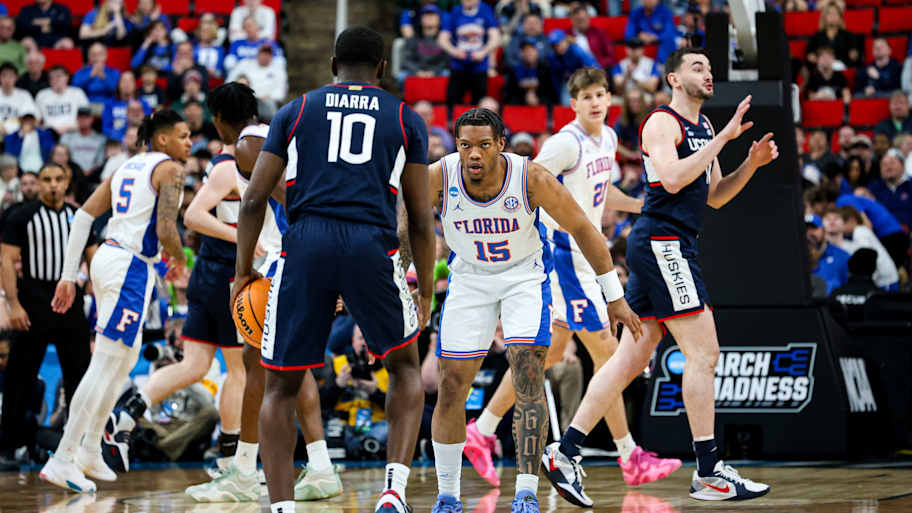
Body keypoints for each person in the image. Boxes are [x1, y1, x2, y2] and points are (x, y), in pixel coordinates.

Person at [541, 47, 777, 502]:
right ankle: (708, 470)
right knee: (704, 352)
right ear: (672, 78)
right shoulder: (661, 122)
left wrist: (749, 164)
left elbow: (715, 196)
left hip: (670, 243)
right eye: (696, 66)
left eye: (710, 67)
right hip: (661, 243)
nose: (707, 73)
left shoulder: (706, 128)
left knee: (628, 361)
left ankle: (565, 451)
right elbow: (669, 179)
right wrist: (723, 139)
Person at [231, 27, 436, 513]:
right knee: (404, 365)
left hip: (306, 244)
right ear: (383, 69)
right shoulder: (406, 118)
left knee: (280, 380)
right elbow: (422, 219)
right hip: (371, 243)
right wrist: (424, 288)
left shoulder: (295, 110)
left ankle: (281, 506)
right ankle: (393, 491)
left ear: (331, 65)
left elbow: (254, 199)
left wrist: (242, 272)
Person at [462, 68, 679, 497]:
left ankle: (482, 429)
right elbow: (524, 183)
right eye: (587, 96)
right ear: (573, 103)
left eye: (602, 94)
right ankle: (629, 455)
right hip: (562, 255)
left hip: (584, 257)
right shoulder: (565, 143)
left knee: (553, 354)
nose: (596, 102)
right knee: (610, 355)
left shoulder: (610, 139)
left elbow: (601, 192)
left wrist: (642, 206)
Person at [424, 106, 641, 513]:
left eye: (484, 145)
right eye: (466, 145)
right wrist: (409, 280)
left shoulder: (531, 177)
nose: (474, 154)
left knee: (528, 374)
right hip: (469, 278)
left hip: (525, 276)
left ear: (501, 146)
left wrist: (614, 296)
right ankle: (448, 495)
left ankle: (526, 492)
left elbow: (583, 229)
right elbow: (407, 219)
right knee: (452, 385)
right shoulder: (439, 175)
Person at [182, 82, 343, 503]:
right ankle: (315, 466)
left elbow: (289, 202)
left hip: (286, 260)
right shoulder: (273, 135)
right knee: (287, 364)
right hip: (299, 258)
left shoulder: (248, 145)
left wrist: (244, 270)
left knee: (263, 365)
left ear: (218, 119)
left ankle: (246, 472)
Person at [36, 110, 190, 493]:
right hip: (130, 267)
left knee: (124, 357)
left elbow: (83, 217)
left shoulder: (126, 166)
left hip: (110, 259)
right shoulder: (170, 169)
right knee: (104, 364)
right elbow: (167, 228)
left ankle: (90, 448)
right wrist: (180, 259)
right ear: (163, 140)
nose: (189, 142)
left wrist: (70, 275)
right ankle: (63, 456)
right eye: (183, 135)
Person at [116, 118, 247, 471]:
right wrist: (245, 240)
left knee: (194, 365)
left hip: (206, 272)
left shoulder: (218, 166)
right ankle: (231, 463)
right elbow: (192, 217)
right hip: (226, 276)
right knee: (239, 371)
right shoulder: (232, 168)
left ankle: (130, 412)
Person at [0, 163, 92, 468]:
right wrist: (13, 305)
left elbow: (94, 258)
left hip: (71, 305)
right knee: (18, 379)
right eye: (47, 180)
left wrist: (98, 300)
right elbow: (6, 259)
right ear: (38, 183)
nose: (53, 185)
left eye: (58, 179)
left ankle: (79, 446)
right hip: (33, 303)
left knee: (80, 377)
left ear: (67, 183)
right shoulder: (20, 216)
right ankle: (9, 446)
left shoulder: (80, 217)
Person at [437, 0, 500, 107]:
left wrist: (483, 52)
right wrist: (454, 51)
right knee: (453, 102)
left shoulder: (486, 10)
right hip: (458, 66)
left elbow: (495, 37)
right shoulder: (455, 12)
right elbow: (442, 39)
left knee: (480, 104)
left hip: (479, 67)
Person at [226, 44, 287, 121]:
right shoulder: (244, 64)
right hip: (245, 98)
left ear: (272, 56)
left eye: (268, 54)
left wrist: (269, 96)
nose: (265, 56)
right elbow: (230, 81)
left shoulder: (278, 70)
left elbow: (281, 92)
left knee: (269, 105)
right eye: (263, 53)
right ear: (258, 54)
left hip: (266, 101)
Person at [867, 148, 912, 235]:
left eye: (892, 163)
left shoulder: (910, 185)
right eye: (884, 164)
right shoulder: (873, 188)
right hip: (882, 234)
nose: (888, 167)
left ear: (903, 166)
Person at [36, 65, 89, 136]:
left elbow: (86, 117)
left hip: (73, 131)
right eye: (52, 77)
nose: (55, 79)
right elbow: (36, 119)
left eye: (58, 76)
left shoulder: (77, 93)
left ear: (67, 77)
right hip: (48, 133)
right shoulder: (42, 95)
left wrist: (68, 128)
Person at [806, 2, 861, 68]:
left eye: (835, 13)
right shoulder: (816, 36)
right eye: (829, 13)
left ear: (840, 17)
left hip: (842, 70)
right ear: (824, 17)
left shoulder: (848, 35)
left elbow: (855, 55)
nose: (832, 16)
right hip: (821, 71)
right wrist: (812, 58)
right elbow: (809, 55)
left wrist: (854, 55)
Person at [624, 0, 679, 65]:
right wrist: (638, 36)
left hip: (661, 43)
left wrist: (656, 37)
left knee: (671, 41)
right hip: (640, 42)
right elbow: (628, 34)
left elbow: (670, 32)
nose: (649, 1)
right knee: (632, 45)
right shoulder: (635, 13)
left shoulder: (666, 12)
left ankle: (664, 66)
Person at [72, 43, 121, 107]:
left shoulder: (114, 72)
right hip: (86, 104)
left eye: (100, 54)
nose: (96, 57)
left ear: (105, 56)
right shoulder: (80, 72)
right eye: (93, 55)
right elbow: (74, 90)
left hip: (109, 105)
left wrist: (104, 78)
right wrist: (90, 76)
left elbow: (118, 90)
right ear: (88, 57)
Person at [569, 5, 615, 72]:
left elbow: (610, 56)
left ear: (589, 18)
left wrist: (598, 65)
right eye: (578, 20)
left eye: (583, 19)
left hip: (597, 70)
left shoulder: (599, 33)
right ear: (572, 20)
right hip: (576, 72)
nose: (581, 23)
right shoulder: (566, 35)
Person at [61, 107, 105, 174]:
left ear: (92, 119)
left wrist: (88, 172)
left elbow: (100, 162)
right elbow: (62, 158)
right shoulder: (67, 138)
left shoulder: (100, 139)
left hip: (93, 176)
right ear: (77, 119)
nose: (83, 120)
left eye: (86, 117)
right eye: (81, 117)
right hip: (70, 174)